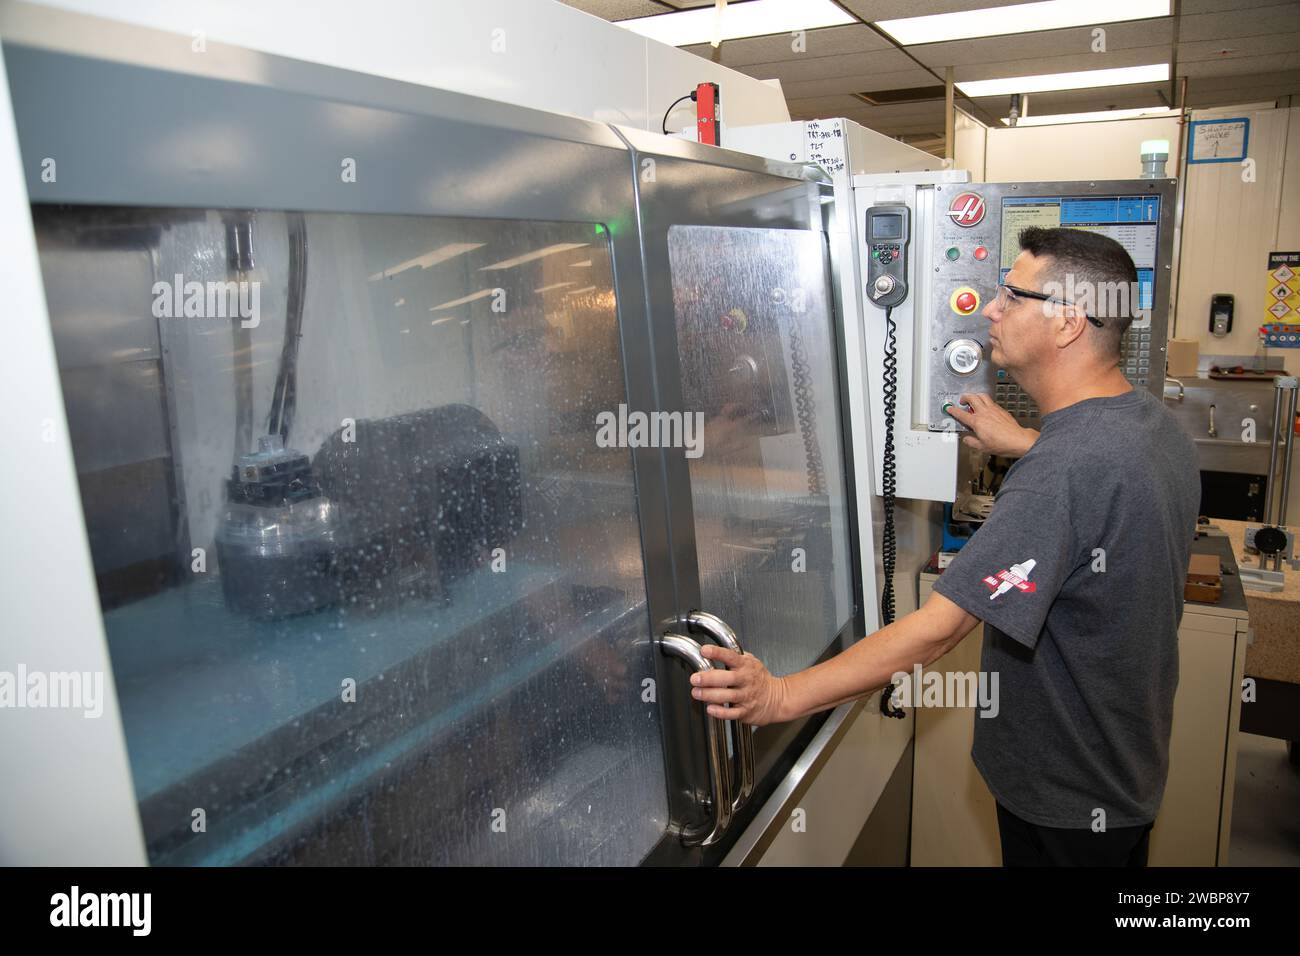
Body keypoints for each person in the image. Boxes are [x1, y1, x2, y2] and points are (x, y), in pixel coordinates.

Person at [693, 226, 1200, 867]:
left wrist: (780, 697)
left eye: (1013, 295)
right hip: (1125, 766)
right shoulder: (1152, 428)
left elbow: (938, 630)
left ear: (1068, 323)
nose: (990, 309)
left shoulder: (1065, 469)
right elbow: (1099, 485)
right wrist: (1024, 444)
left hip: (1064, 796)